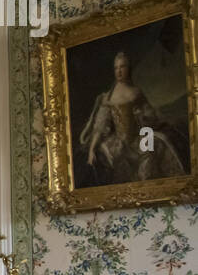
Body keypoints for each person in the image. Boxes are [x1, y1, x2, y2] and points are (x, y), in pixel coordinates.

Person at [80, 50, 186, 185]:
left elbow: (150, 117)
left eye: (122, 67)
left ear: (128, 69)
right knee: (112, 158)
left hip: (139, 137)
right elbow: (100, 126)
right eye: (116, 68)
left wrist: (140, 115)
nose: (119, 71)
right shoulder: (108, 97)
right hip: (117, 142)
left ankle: (151, 187)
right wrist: (91, 150)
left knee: (153, 148)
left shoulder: (136, 92)